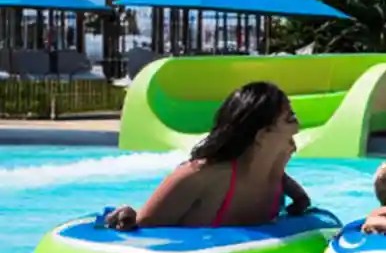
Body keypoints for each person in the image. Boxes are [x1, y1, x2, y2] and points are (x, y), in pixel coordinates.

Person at [103, 81, 311, 230]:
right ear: (262, 135)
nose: (298, 127)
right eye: (290, 118)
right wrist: (127, 218)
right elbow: (142, 230)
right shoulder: (200, 176)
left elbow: (300, 199)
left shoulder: (275, 175)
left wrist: (300, 204)